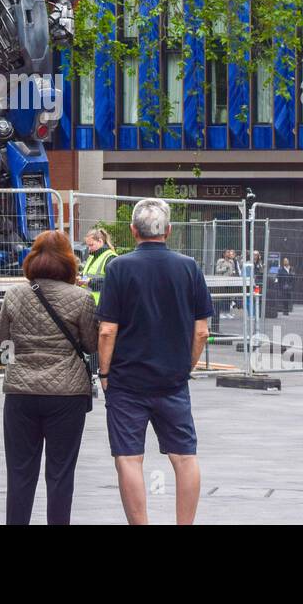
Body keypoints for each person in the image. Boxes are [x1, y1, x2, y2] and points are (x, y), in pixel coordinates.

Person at [97, 198, 213, 526]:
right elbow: (201, 332)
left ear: (133, 231)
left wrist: (104, 373)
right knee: (184, 456)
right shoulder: (189, 267)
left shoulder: (119, 268)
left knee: (128, 459)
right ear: (170, 231)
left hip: (127, 381)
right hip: (172, 381)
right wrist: (186, 367)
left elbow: (107, 330)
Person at [0, 230, 97, 525]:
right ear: (69, 262)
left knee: (19, 473)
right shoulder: (81, 298)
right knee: (61, 473)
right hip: (66, 395)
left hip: (20, 394)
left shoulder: (14, 294)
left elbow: (3, 340)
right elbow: (91, 345)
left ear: (33, 259)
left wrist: (14, 366)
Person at [78, 227, 117, 305]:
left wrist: (90, 282)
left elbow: (113, 282)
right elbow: (87, 275)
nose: (89, 249)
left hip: (101, 305)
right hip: (88, 303)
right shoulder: (92, 256)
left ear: (100, 241)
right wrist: (80, 277)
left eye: (91, 245)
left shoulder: (110, 257)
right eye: (88, 245)